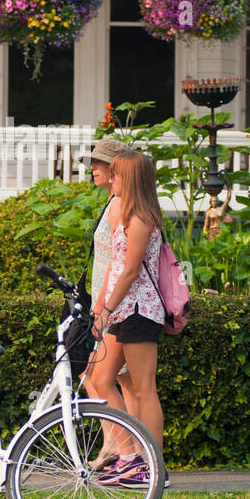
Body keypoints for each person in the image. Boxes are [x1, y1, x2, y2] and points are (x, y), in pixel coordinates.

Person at [94, 151, 166, 487]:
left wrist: (107, 310)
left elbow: (131, 271)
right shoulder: (122, 215)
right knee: (100, 377)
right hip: (122, 310)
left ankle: (154, 469)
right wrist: (100, 308)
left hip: (140, 311)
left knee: (144, 389)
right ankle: (127, 456)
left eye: (117, 175)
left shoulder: (141, 218)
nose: (111, 179)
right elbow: (113, 266)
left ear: (132, 179)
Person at [76, 136, 140, 468]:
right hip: (111, 306)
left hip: (113, 308)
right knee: (121, 382)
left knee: (95, 377)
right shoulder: (114, 200)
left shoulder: (118, 203)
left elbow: (121, 263)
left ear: (116, 168)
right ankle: (126, 450)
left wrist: (103, 310)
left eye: (98, 162)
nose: (92, 168)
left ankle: (124, 451)